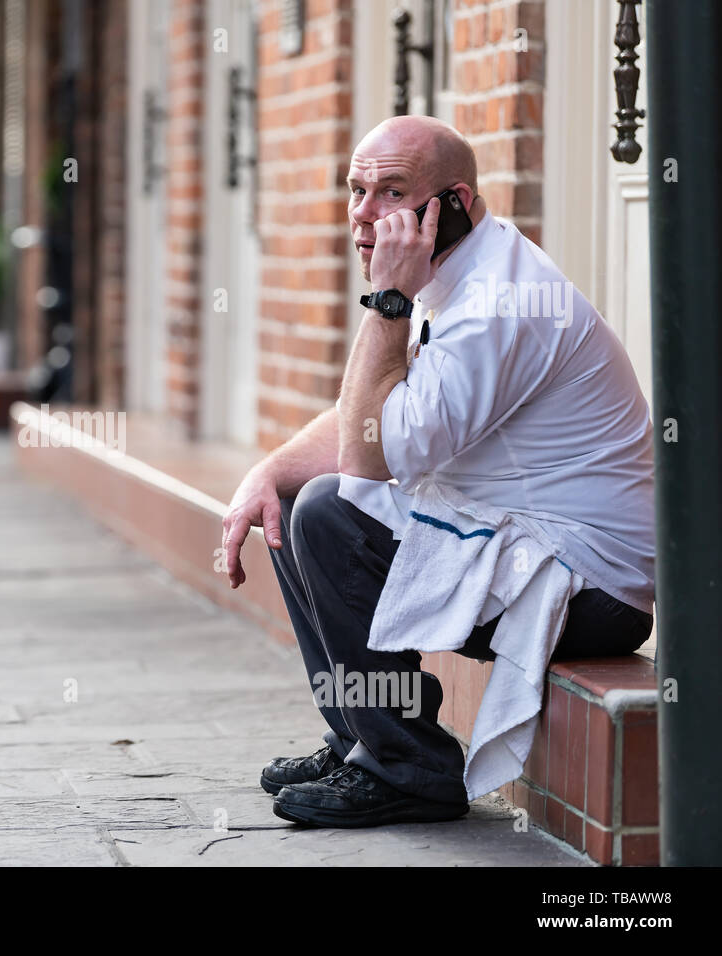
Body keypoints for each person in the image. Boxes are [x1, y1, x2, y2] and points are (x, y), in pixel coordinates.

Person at [221, 115, 655, 828]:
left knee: (332, 510)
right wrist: (266, 471)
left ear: (453, 203)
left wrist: (387, 302)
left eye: (391, 193)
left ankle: (409, 767)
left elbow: (369, 456)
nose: (363, 215)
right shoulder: (466, 270)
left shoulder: (498, 303)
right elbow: (379, 413)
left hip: (590, 587)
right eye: (356, 191)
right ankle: (365, 735)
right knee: (297, 496)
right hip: (528, 549)